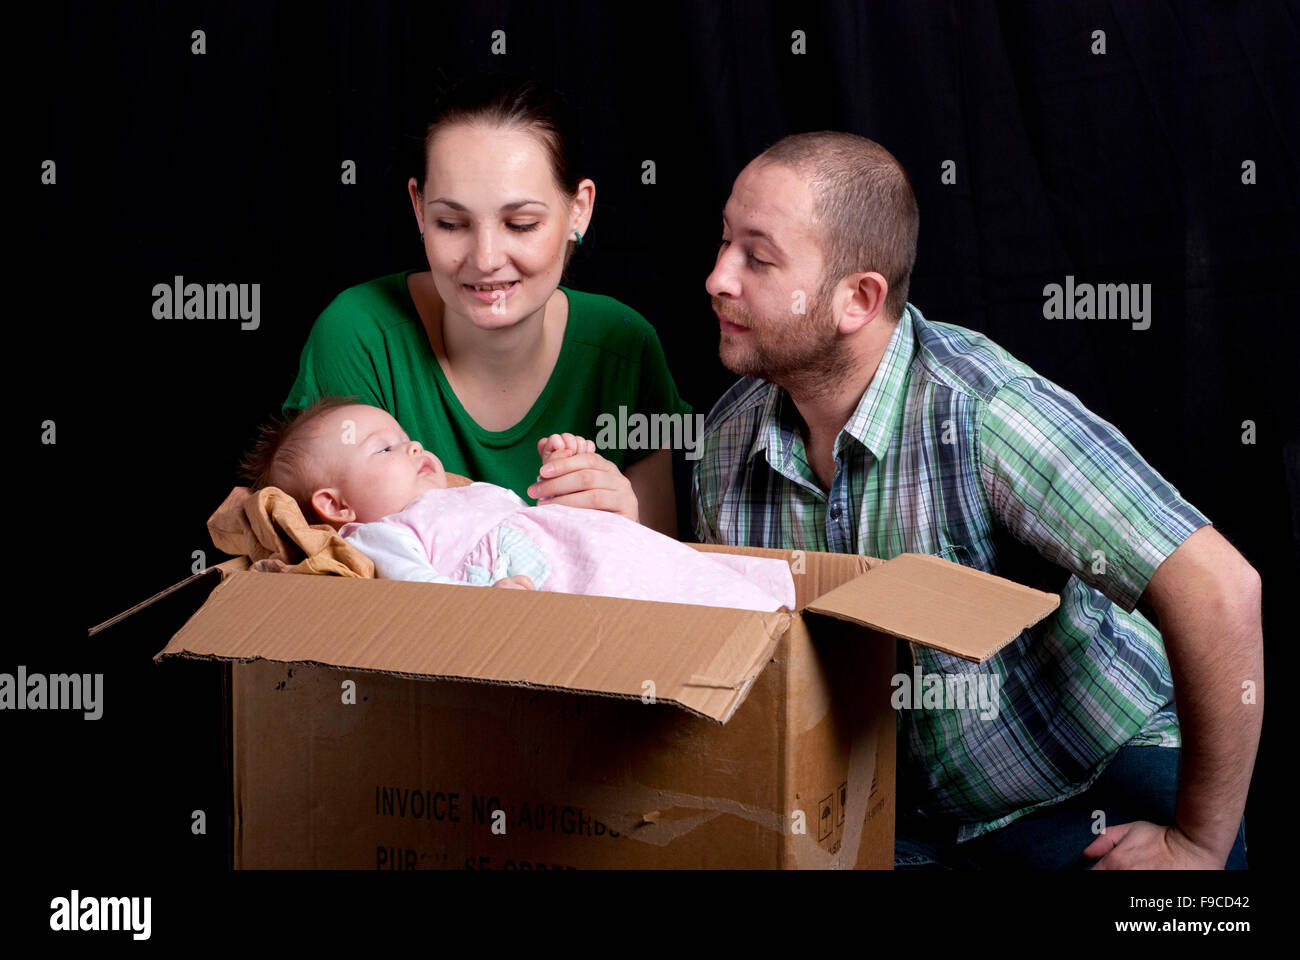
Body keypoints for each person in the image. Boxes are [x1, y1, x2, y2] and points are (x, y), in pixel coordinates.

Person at [692, 132, 1261, 869]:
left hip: (1089, 780)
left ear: (857, 299)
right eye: (724, 243)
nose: (716, 278)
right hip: (905, 818)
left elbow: (1222, 590)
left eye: (756, 258)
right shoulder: (728, 441)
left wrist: (1198, 844)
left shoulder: (985, 413)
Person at [283, 75, 690, 536]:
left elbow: (665, 578)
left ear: (579, 210)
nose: (486, 260)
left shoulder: (626, 343)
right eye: (451, 223)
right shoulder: (357, 335)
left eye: (520, 224)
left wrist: (626, 528)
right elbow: (327, 570)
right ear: (418, 209)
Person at [239, 397, 795, 612]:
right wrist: (483, 606)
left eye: (406, 435)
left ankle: (747, 607)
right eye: (384, 448)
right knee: (662, 609)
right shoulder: (381, 534)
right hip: (563, 594)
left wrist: (563, 472)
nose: (412, 445)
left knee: (681, 572)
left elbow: (536, 520)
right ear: (336, 506)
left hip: (598, 548)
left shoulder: (462, 492)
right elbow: (419, 596)